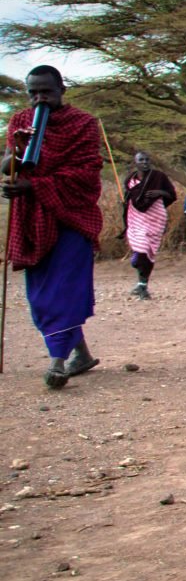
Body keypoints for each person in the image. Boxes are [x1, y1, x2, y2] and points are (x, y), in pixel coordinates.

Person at [4, 67, 107, 390]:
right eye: (33, 93)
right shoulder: (20, 121)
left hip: (72, 217)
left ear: (62, 89)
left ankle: (57, 363)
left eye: (46, 92)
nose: (40, 99)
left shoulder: (82, 124)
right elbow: (9, 165)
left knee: (64, 289)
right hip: (33, 217)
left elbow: (87, 175)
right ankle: (82, 355)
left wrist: (35, 186)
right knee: (41, 291)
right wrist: (15, 158)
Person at [121, 152, 178, 299]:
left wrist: (160, 192)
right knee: (142, 248)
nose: (145, 162)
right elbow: (130, 197)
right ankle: (138, 269)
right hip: (136, 217)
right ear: (135, 162)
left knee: (148, 251)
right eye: (141, 160)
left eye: (147, 160)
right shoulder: (130, 179)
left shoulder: (159, 177)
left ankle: (142, 285)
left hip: (156, 216)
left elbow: (172, 195)